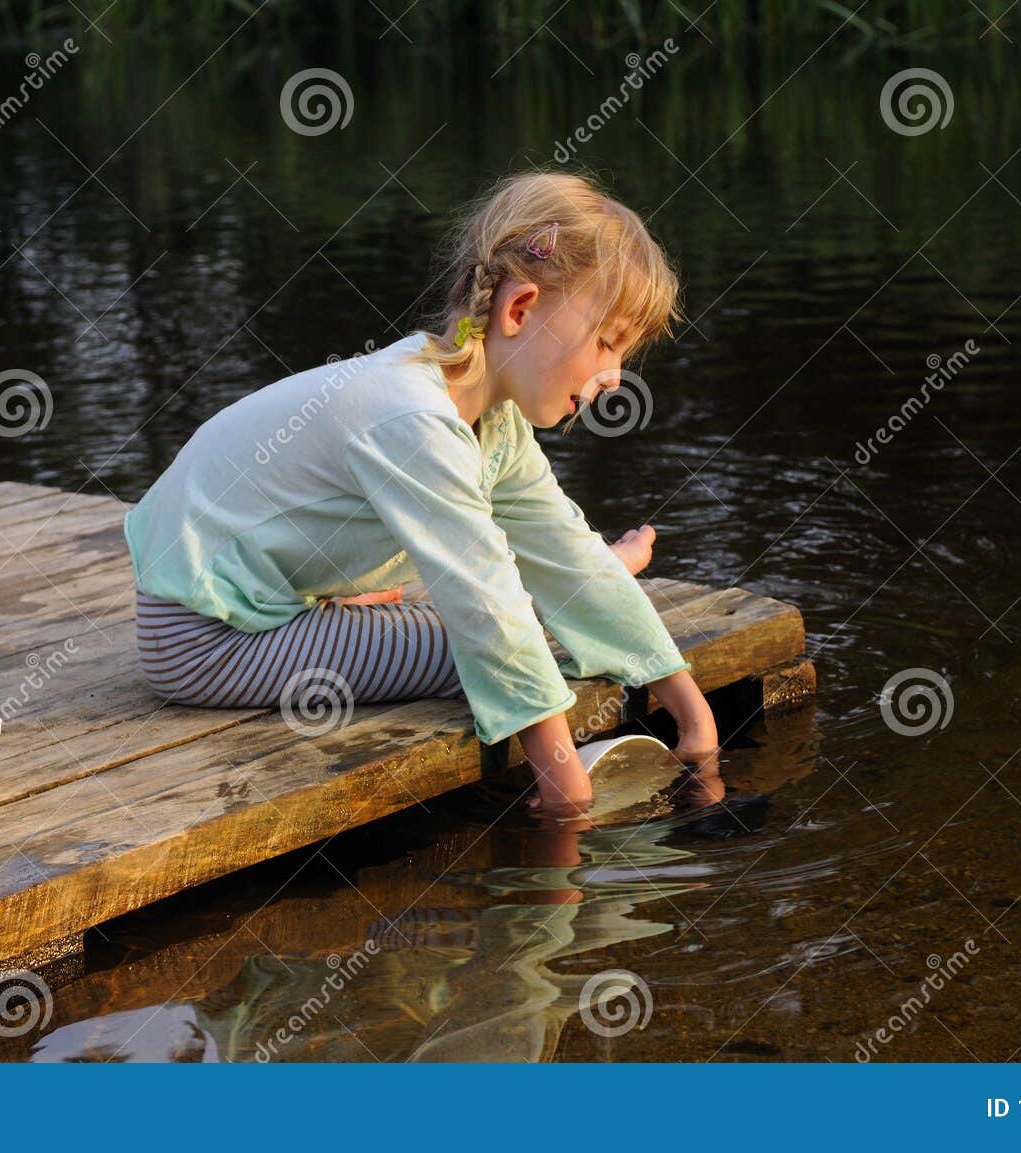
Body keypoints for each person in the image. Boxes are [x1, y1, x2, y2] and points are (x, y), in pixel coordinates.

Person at [122, 169, 718, 817]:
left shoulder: (489, 417)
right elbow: (487, 617)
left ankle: (368, 603)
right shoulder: (412, 415)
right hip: (200, 639)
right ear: (519, 309)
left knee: (532, 614)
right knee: (478, 646)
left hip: (262, 602)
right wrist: (569, 794)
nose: (613, 376)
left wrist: (695, 717)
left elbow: (564, 550)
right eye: (607, 343)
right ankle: (548, 601)